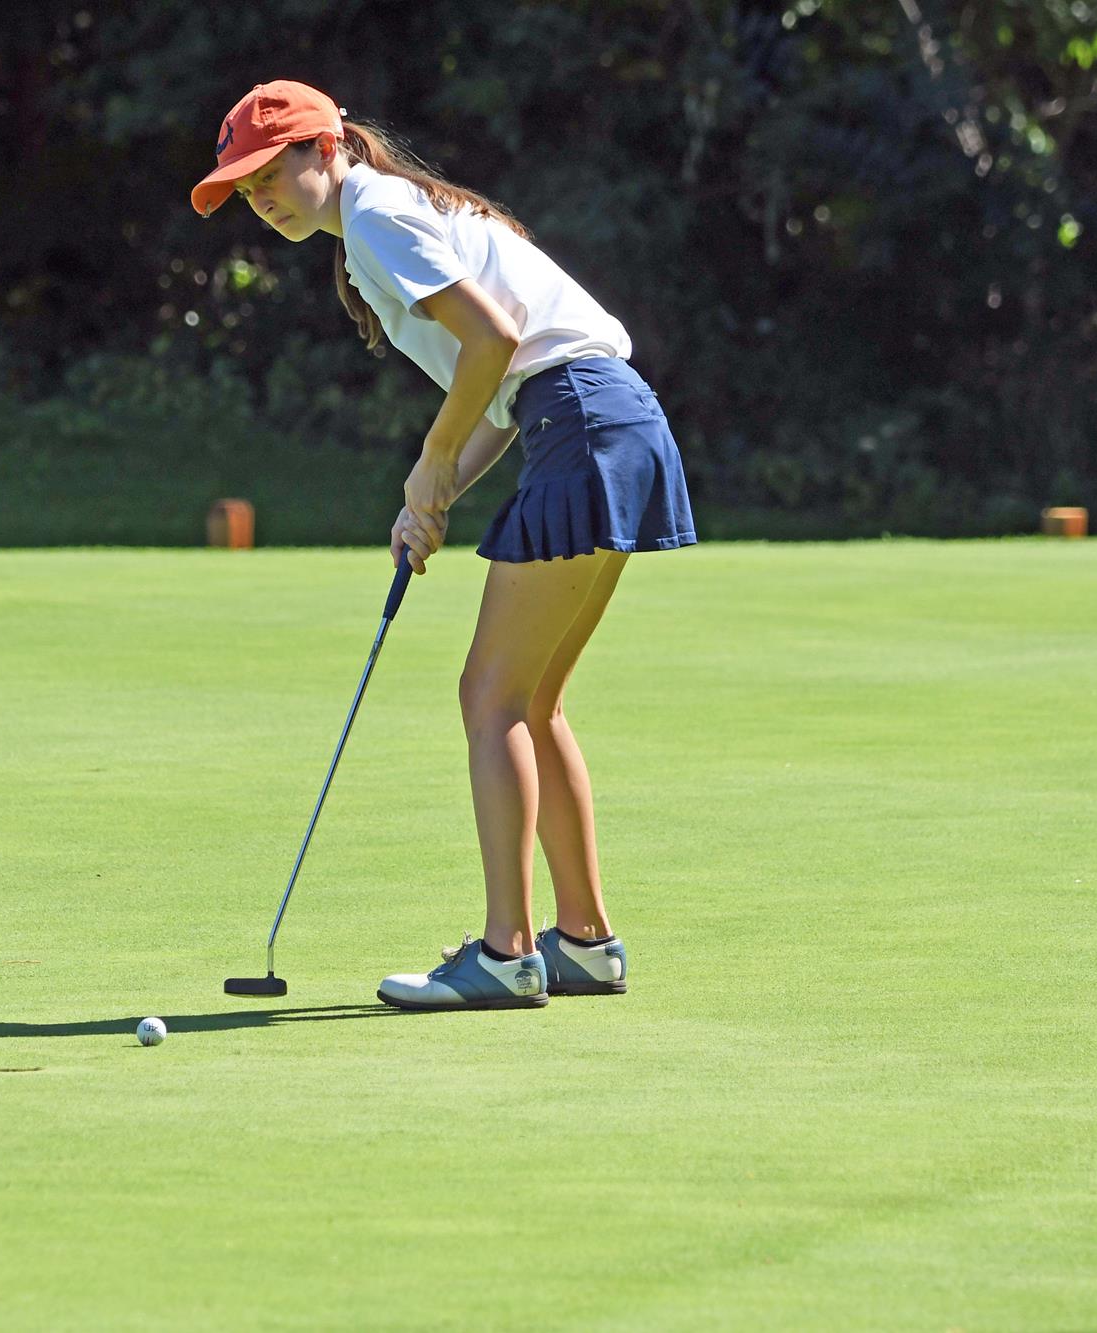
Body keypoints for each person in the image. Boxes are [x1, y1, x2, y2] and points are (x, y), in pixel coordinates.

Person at [191, 81, 697, 1011]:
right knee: (530, 700)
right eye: (244, 189)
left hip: (581, 420)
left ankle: (507, 953)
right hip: (606, 419)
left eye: (269, 174)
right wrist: (433, 496)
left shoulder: (375, 214)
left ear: (326, 148)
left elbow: (494, 342)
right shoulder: (386, 213)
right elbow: (500, 394)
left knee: (490, 695)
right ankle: (585, 943)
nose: (259, 199)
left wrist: (429, 461)